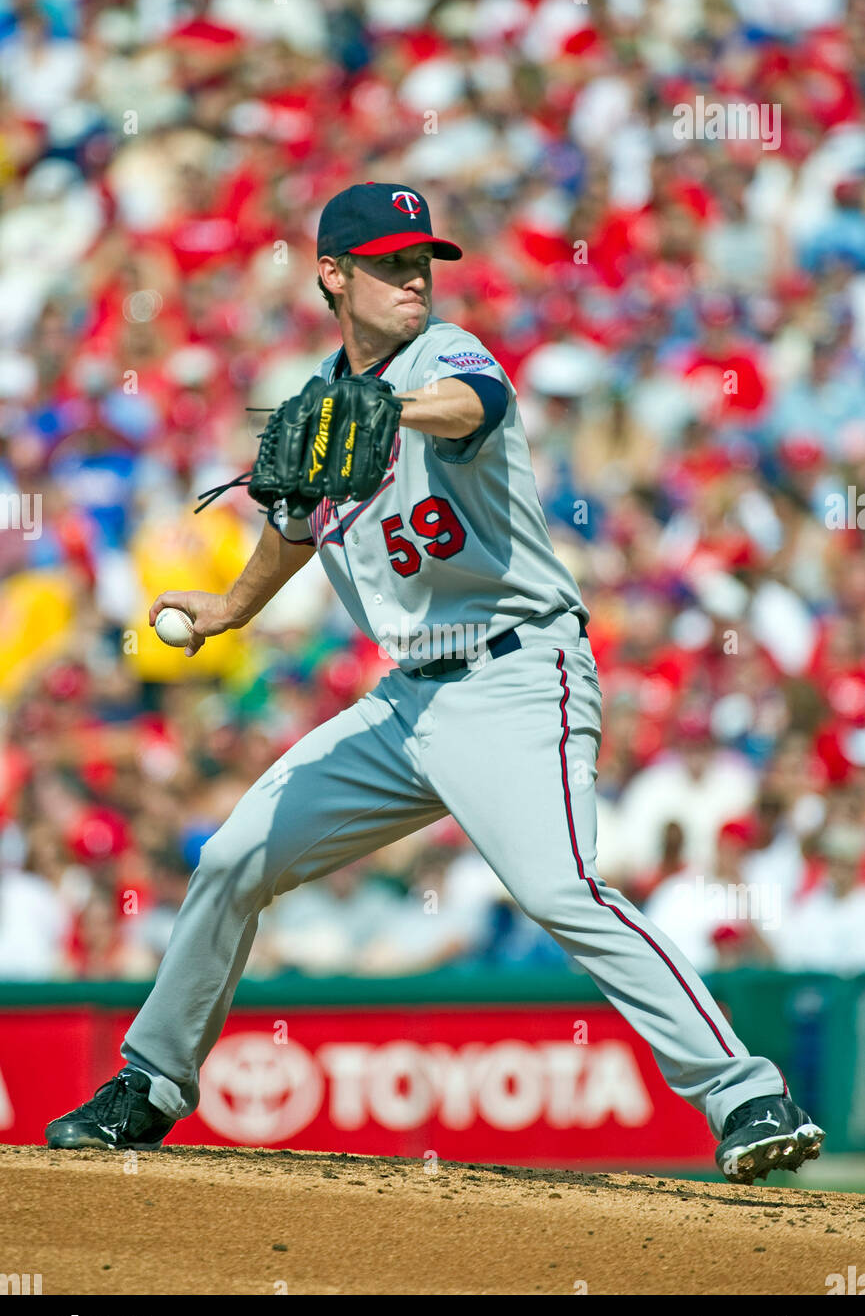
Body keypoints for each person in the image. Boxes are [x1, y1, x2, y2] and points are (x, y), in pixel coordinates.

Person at [46, 182, 825, 1185]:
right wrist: (228, 610)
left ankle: (743, 1091)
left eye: (421, 259)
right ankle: (150, 1081)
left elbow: (476, 403)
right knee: (233, 856)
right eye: (387, 260)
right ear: (333, 274)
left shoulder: (440, 361)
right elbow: (295, 526)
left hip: (514, 673)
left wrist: (387, 404)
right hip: (403, 699)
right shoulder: (321, 401)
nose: (413, 274)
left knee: (560, 888)